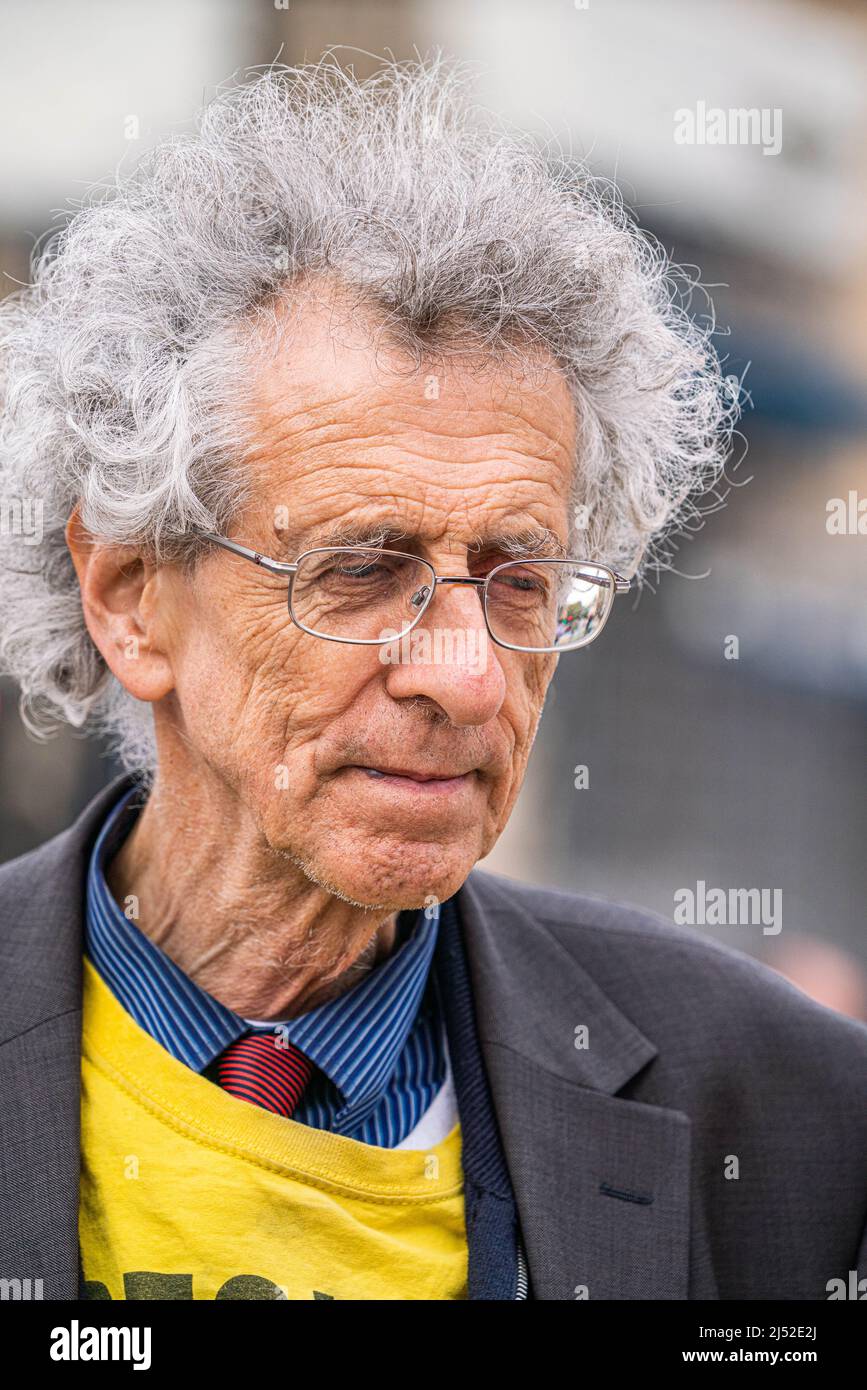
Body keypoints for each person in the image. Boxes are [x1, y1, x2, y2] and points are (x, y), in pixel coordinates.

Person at [0, 56, 864, 1302]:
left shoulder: (795, 1125)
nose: (466, 675)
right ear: (132, 599)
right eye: (360, 569)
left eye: (520, 581)